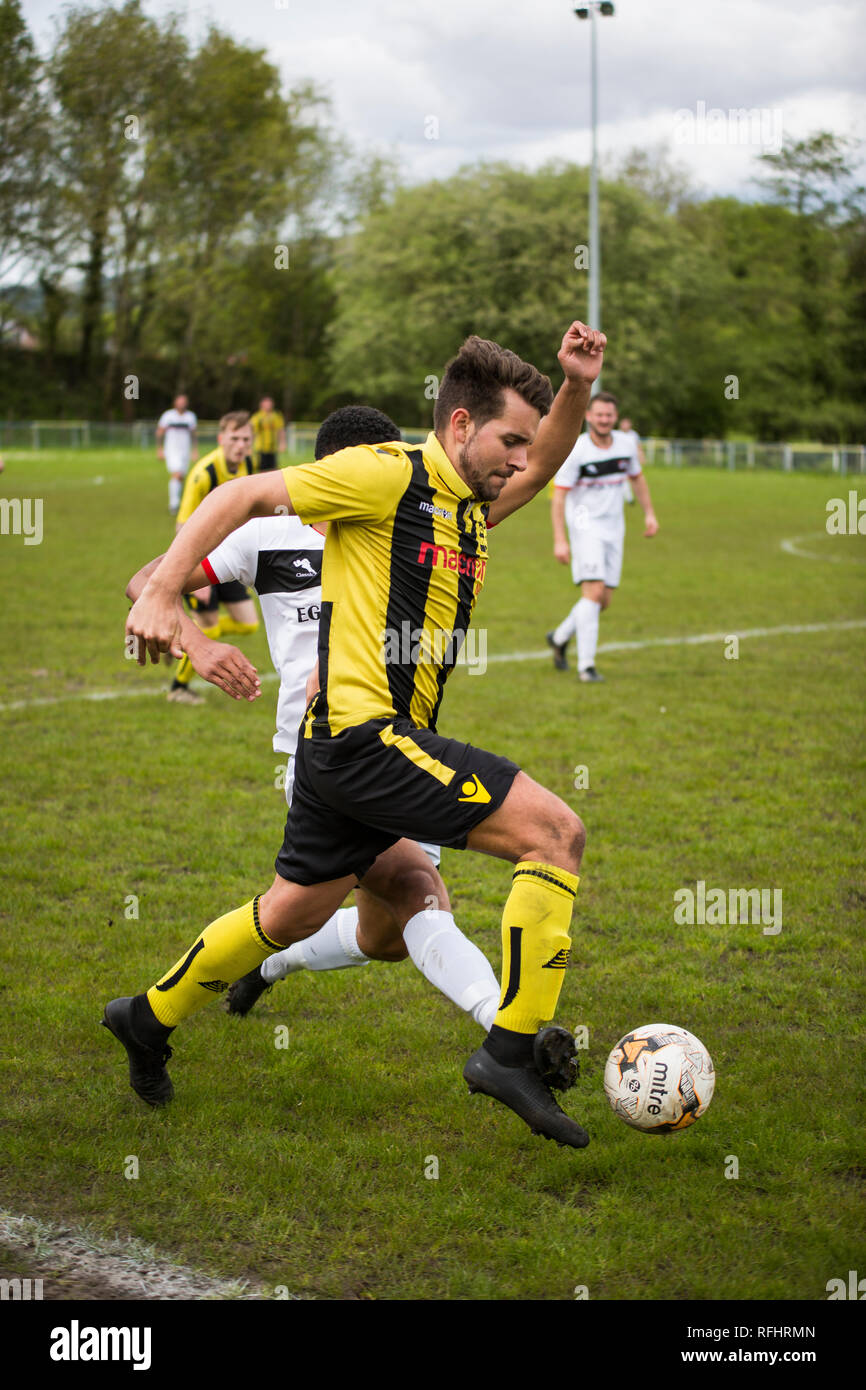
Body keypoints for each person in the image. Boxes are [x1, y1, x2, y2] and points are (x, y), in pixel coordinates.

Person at [107, 320, 605, 1150]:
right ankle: (510, 1050)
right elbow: (241, 497)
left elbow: (549, 457)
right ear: (457, 425)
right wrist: (165, 600)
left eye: (524, 443)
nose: (520, 460)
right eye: (506, 440)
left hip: (341, 751)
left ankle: (146, 1017)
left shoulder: (468, 505)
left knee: (294, 915)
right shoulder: (386, 474)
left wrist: (577, 384)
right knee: (555, 834)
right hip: (366, 741)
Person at [126, 404, 503, 1032]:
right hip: (329, 748)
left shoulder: (414, 520)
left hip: (405, 738)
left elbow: (533, 469)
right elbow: (147, 581)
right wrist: (202, 646)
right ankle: (511, 1035)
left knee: (381, 935)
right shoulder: (269, 533)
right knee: (418, 891)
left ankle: (251, 973)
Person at [547, 391, 658, 682]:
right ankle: (587, 667)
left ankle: (559, 638)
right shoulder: (578, 450)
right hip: (585, 526)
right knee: (593, 594)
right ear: (588, 417)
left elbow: (637, 478)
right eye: (599, 414)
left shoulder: (626, 445)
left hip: (614, 528)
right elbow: (558, 497)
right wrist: (561, 539)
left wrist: (649, 513)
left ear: (615, 417)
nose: (605, 419)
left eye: (609, 415)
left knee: (603, 600)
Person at [167, 410, 260, 705]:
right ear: (221, 439)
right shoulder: (203, 473)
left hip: (229, 561)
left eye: (246, 439)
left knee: (248, 624)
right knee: (206, 631)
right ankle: (178, 688)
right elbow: (183, 527)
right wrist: (194, 574)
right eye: (234, 438)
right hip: (199, 563)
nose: (240, 445)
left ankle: (178, 638)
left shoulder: (248, 465)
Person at [156, 393, 198, 515]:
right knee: (177, 474)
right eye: (179, 402)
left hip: (184, 451)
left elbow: (193, 435)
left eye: (184, 402)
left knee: (181, 477)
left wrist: (194, 450)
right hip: (171, 450)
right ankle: (174, 504)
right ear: (175, 403)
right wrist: (159, 449)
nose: (182, 404)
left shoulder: (190, 417)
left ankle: (177, 501)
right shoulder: (168, 416)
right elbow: (160, 432)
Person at [250, 396, 286, 472]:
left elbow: (280, 430)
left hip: (272, 448)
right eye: (266, 404)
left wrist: (282, 443)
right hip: (260, 448)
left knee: (274, 469)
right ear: (261, 405)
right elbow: (252, 433)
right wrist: (249, 446)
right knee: (261, 470)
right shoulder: (257, 417)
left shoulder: (276, 416)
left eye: (270, 404)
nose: (268, 406)